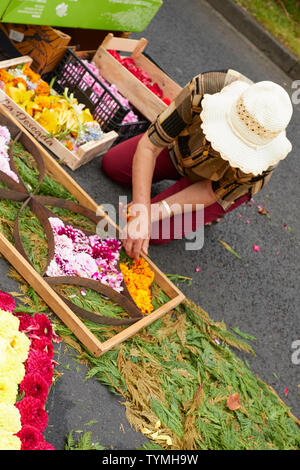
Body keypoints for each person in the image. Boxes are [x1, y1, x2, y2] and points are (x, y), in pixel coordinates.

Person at [101, 69, 293, 260]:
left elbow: (210, 191)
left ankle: (209, 210)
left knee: (157, 232)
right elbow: (150, 146)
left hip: (211, 184)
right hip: (181, 151)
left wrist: (153, 213)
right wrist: (142, 208)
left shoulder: (263, 162)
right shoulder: (206, 88)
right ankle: (179, 181)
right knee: (113, 165)